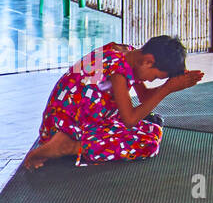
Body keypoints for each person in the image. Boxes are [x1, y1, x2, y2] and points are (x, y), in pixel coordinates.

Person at [22, 36, 203, 170]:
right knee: (147, 142)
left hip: (66, 118)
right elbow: (130, 120)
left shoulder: (126, 53)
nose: (154, 79)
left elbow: (144, 98)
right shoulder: (119, 71)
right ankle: (68, 145)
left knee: (151, 126)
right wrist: (166, 89)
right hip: (72, 125)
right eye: (156, 76)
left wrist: (172, 85)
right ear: (149, 62)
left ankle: (66, 140)